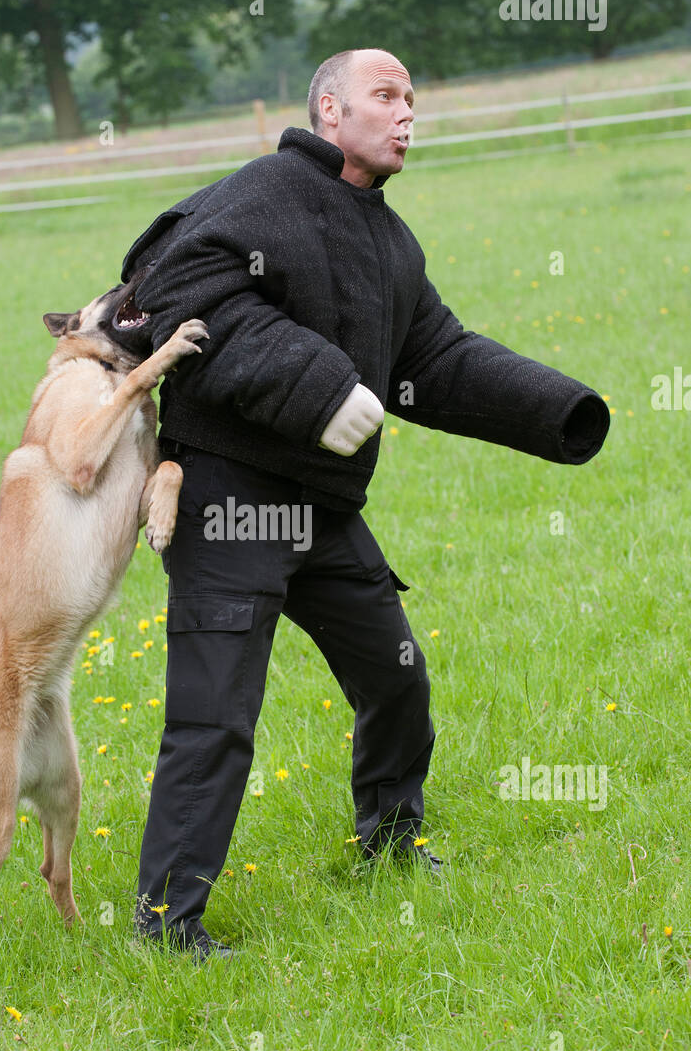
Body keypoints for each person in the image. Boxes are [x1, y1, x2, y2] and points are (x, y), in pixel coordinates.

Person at [120, 47, 609, 962]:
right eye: (385, 97)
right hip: (227, 497)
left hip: (322, 510)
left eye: (413, 99)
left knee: (394, 678)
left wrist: (559, 409)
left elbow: (438, 359)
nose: (406, 113)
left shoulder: (390, 241)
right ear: (330, 111)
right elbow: (168, 286)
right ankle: (166, 925)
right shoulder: (258, 194)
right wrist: (316, 386)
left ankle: (388, 837)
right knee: (214, 713)